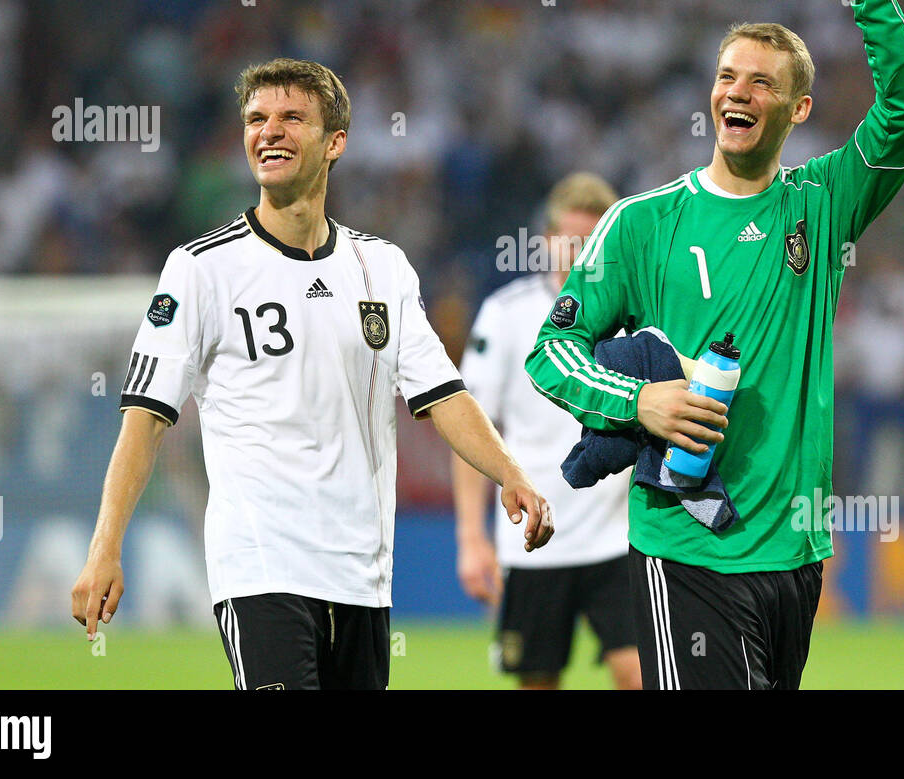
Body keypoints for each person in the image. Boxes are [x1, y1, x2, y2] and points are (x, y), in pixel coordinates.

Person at [524, 0, 904, 689]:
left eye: (761, 82)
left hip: (794, 544)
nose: (736, 92)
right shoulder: (643, 223)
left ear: (798, 109)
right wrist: (639, 401)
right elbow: (553, 349)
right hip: (689, 541)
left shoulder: (819, 206)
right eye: (725, 76)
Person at [71, 58, 553, 690]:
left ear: (335, 143)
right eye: (255, 119)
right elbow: (145, 417)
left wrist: (510, 475)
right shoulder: (200, 269)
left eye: (291, 118)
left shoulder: (383, 268)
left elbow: (442, 394)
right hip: (261, 566)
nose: (268, 132)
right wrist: (105, 545)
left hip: (362, 574)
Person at [453, 172, 641, 689]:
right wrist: (472, 538)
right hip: (535, 537)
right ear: (545, 241)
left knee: (641, 675)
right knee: (538, 682)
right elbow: (472, 426)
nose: (579, 253)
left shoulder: (634, 316)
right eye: (569, 240)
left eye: (591, 241)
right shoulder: (506, 315)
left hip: (619, 540)